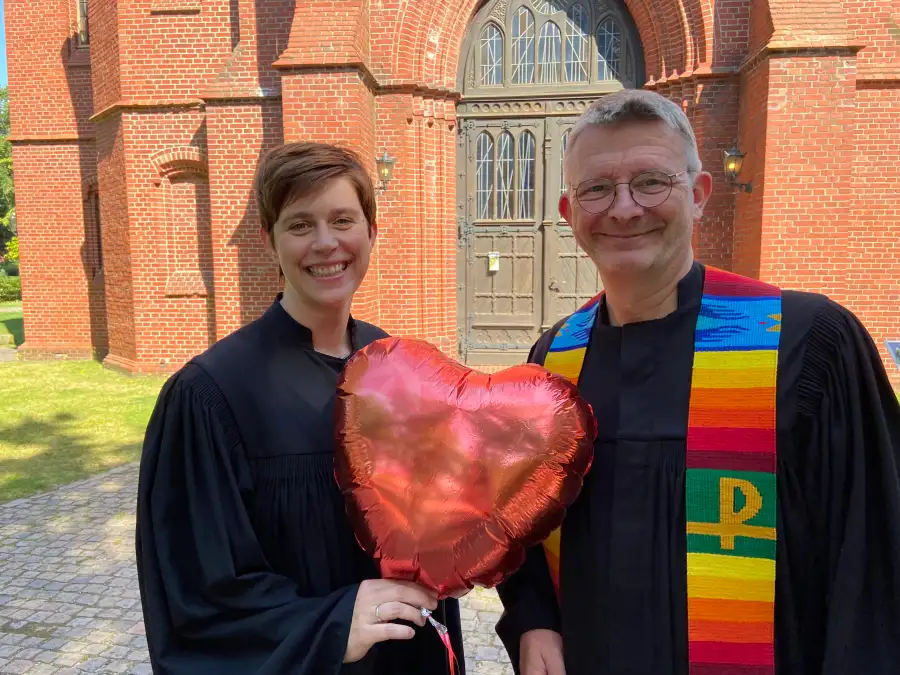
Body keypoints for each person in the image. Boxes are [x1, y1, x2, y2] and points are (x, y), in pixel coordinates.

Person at [494, 89, 900, 675]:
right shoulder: (555, 361)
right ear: (568, 211)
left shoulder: (805, 344)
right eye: (597, 188)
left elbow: (873, 561)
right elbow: (523, 528)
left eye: (652, 182)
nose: (625, 208)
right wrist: (532, 618)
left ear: (700, 194)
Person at [135, 142, 465, 674]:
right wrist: (331, 626)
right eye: (300, 224)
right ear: (269, 240)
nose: (326, 242)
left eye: (342, 219)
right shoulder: (211, 395)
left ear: (371, 231)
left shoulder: (401, 370)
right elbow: (197, 597)